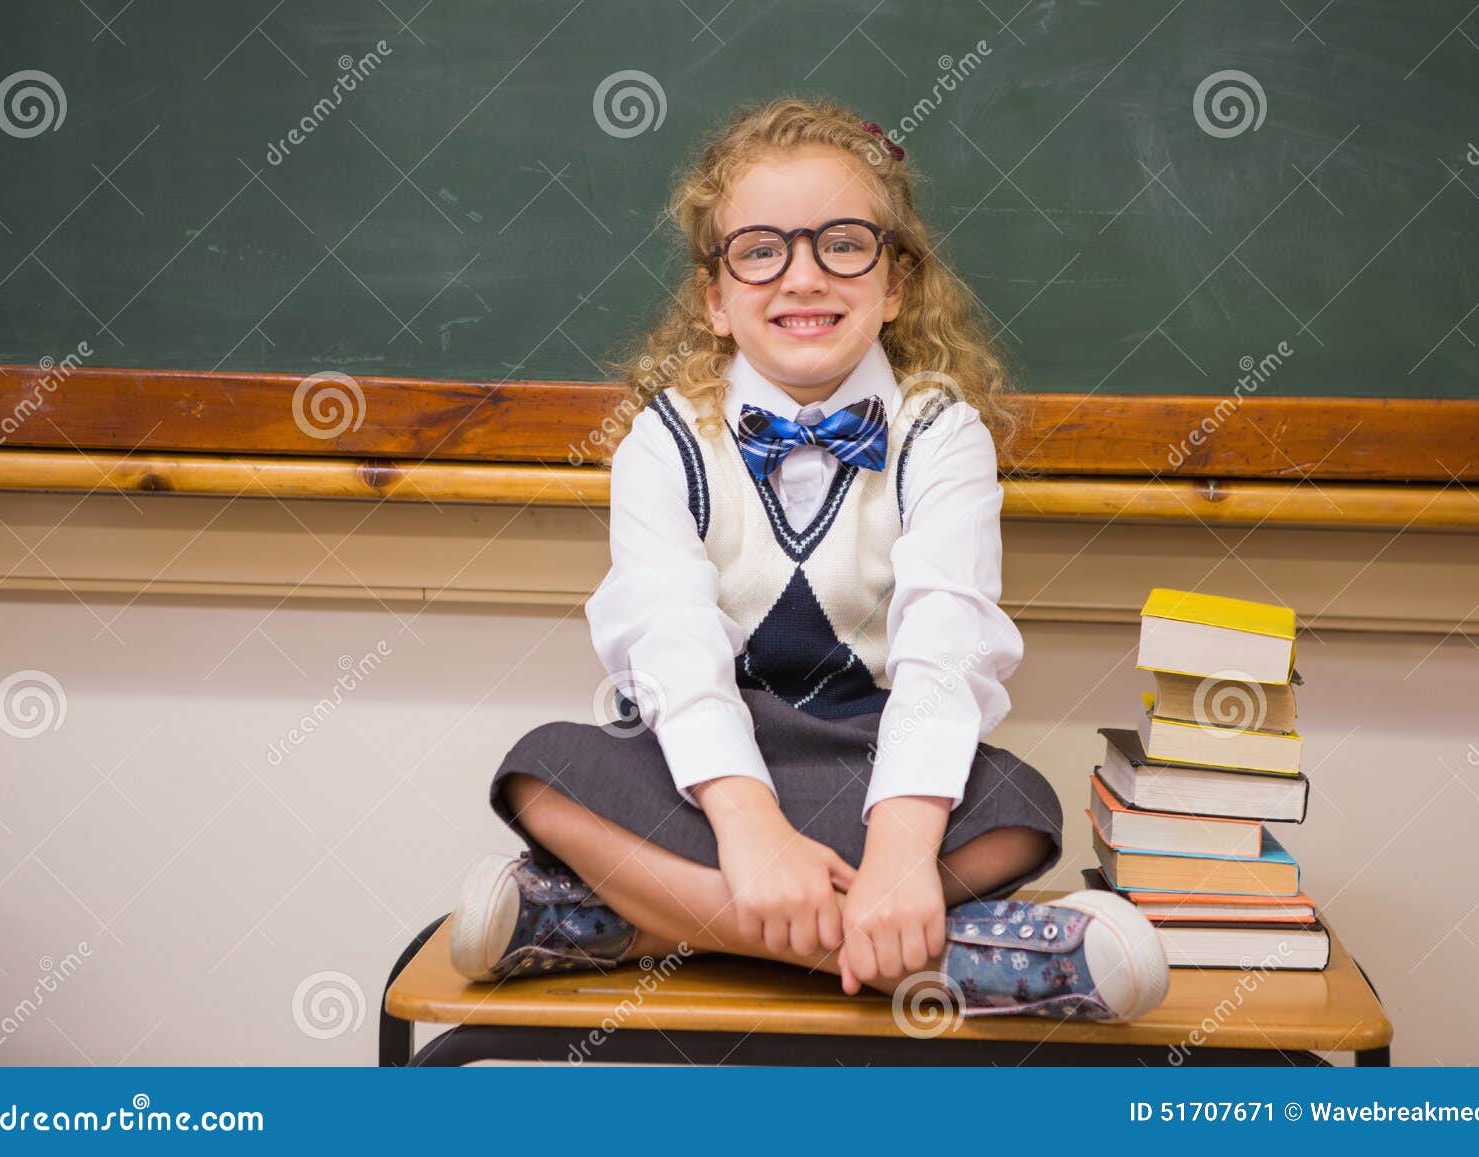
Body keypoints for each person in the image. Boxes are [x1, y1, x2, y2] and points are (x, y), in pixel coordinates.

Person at [447, 97, 1168, 1023]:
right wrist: (749, 830)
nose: (803, 277)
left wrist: (905, 853)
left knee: (1018, 807)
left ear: (896, 280)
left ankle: (614, 921)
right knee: (543, 771)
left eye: (843, 243)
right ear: (714, 297)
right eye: (760, 250)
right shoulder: (663, 441)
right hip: (701, 773)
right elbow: (669, 642)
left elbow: (946, 651)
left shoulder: (940, 435)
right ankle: (961, 955)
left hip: (866, 763)